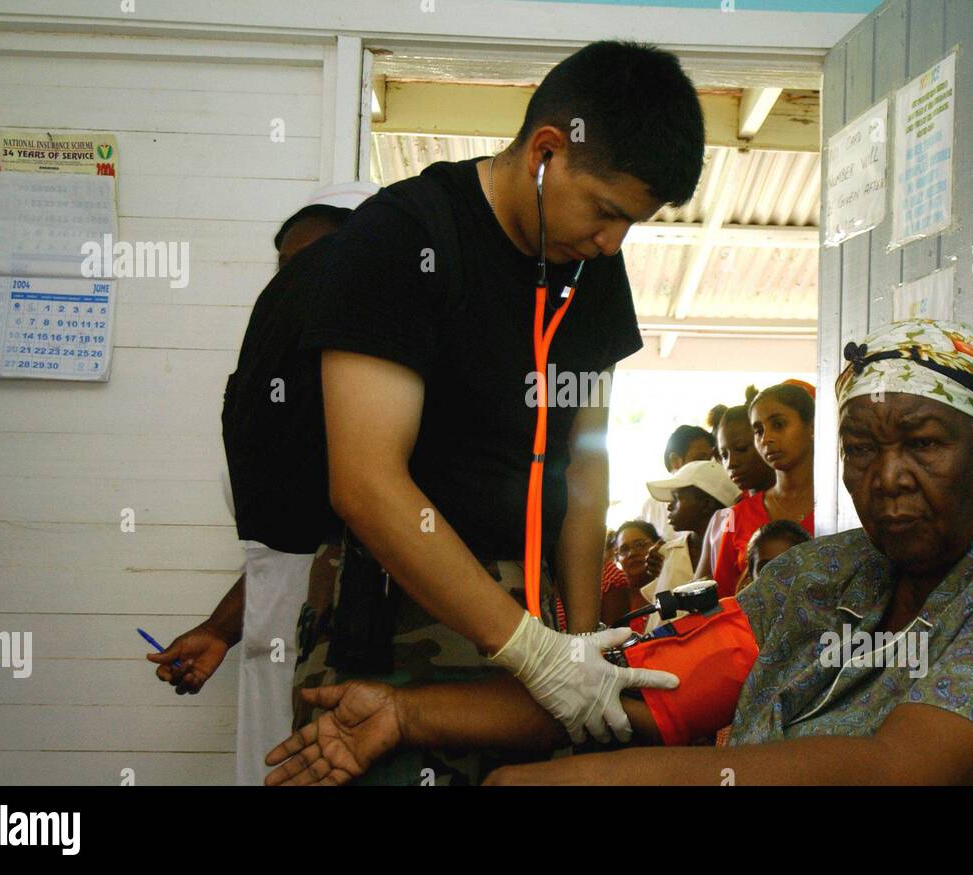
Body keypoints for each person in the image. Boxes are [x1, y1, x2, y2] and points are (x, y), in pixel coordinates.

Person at [265, 318, 973, 786]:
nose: (888, 478)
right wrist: (409, 715)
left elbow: (901, 770)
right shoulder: (833, 573)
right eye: (864, 449)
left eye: (923, 443)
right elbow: (650, 694)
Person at [288, 40, 706, 782]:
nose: (614, 243)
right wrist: (532, 649)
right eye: (608, 211)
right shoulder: (405, 237)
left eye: (631, 224)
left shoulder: (589, 267)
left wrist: (579, 642)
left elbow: (584, 461)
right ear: (548, 151)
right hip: (402, 616)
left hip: (535, 611)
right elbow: (365, 482)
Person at [145, 189, 363, 785]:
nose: (290, 286)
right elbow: (285, 552)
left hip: (346, 659)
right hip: (274, 643)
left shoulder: (377, 396)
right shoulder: (272, 395)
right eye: (283, 270)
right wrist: (220, 629)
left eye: (310, 263)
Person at [698, 383, 816, 597]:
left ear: (812, 426)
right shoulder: (738, 516)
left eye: (778, 424)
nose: (766, 438)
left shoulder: (843, 506)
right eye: (758, 430)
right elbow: (725, 598)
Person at [637, 460, 738, 631]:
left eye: (677, 498)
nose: (669, 506)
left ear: (706, 504)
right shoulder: (667, 553)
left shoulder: (734, 553)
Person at [637, 425, 714, 541]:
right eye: (700, 459)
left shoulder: (718, 500)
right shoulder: (650, 507)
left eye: (711, 459)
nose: (708, 465)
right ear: (675, 461)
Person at [735, 518, 811, 595]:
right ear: (750, 576)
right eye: (765, 568)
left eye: (786, 569)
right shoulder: (729, 606)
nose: (775, 579)